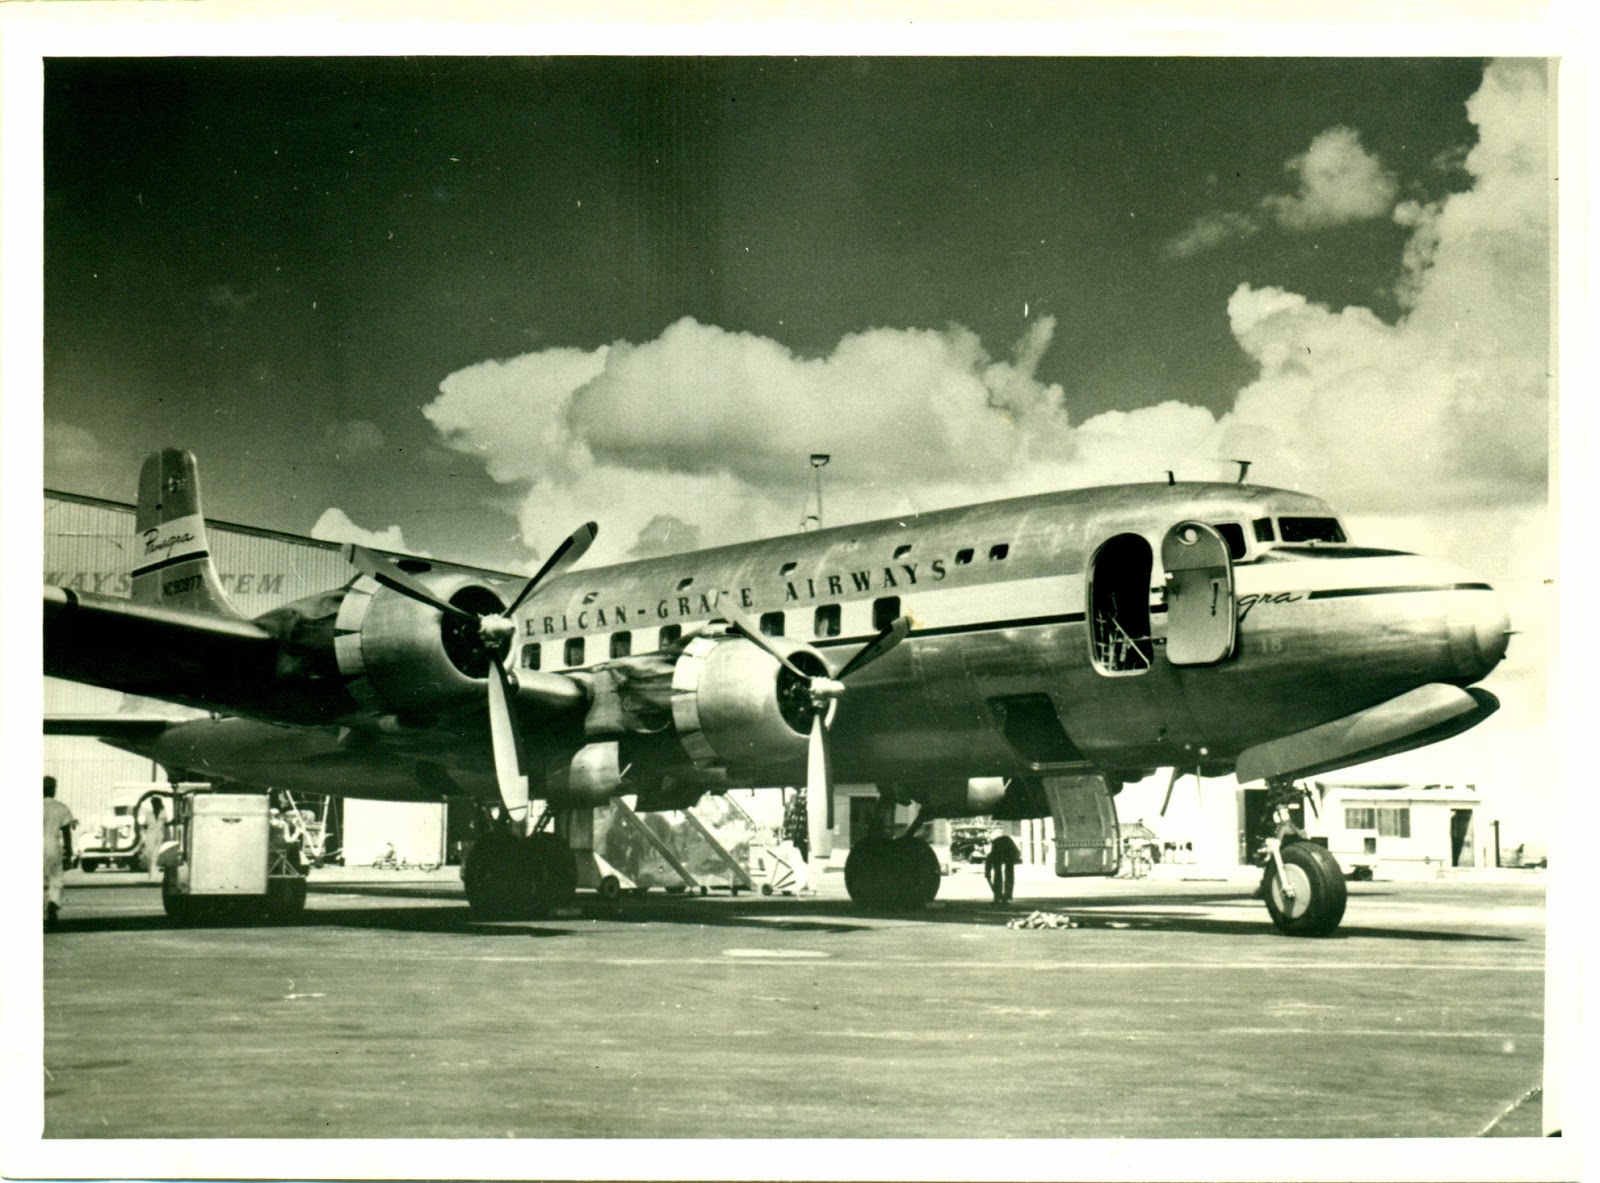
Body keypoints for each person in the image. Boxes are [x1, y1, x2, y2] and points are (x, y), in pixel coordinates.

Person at [43, 776, 77, 929]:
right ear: (53, 789)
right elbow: (66, 831)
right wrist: (69, 852)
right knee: (55, 878)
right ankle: (52, 905)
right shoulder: (61, 807)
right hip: (52, 846)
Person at [984, 826, 1022, 904]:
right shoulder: (994, 845)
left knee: (1007, 873)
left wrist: (987, 873)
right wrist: (987, 872)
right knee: (1000, 872)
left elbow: (989, 859)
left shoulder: (996, 844)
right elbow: (989, 860)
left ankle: (1004, 896)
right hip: (1005, 850)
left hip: (1010, 851)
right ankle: (1000, 896)